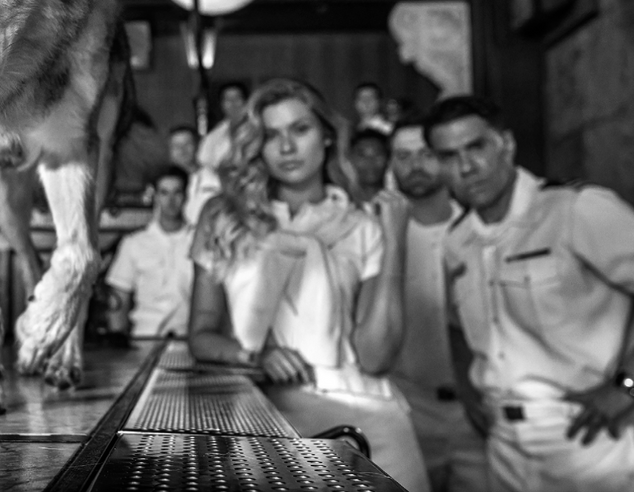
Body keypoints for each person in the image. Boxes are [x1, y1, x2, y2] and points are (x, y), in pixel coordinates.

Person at [425, 95, 634, 492]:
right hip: (503, 444)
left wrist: (628, 386)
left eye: (477, 147)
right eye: (448, 156)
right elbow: (456, 324)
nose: (466, 167)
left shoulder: (574, 209)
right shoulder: (458, 240)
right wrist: (468, 388)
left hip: (586, 436)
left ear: (506, 145)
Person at [188, 78, 430, 492]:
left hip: (367, 415)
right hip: (261, 416)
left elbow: (376, 355)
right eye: (270, 135)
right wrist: (253, 355)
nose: (286, 147)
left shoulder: (362, 225)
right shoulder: (224, 218)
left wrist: (395, 244)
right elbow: (201, 334)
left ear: (328, 136)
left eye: (300, 130)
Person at [387, 117, 486, 492]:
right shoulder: (377, 236)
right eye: (402, 156)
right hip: (406, 407)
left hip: (476, 410)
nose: (415, 165)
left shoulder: (480, 229)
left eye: (426, 154)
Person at [105, 166, 195, 338]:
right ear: (155, 196)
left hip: (187, 340)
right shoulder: (134, 243)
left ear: (186, 196)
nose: (171, 200)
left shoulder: (198, 241)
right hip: (144, 338)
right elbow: (119, 298)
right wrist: (117, 340)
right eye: (164, 193)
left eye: (177, 192)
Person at [188, 83, 249, 225]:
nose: (233, 104)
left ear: (246, 101)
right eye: (228, 100)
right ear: (222, 105)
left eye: (237, 98)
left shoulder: (258, 130)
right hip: (221, 195)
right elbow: (203, 167)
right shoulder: (213, 138)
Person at [348, 127, 391, 206]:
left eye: (377, 154)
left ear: (388, 159)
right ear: (351, 159)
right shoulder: (341, 205)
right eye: (362, 155)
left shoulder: (400, 203)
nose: (370, 162)